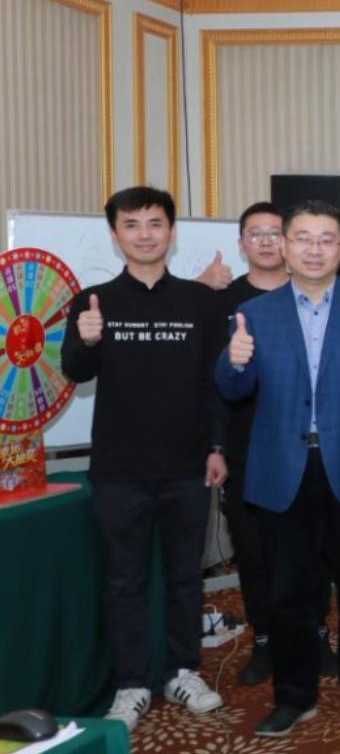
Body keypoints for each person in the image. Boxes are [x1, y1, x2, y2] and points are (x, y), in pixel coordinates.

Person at [217, 199, 340, 738]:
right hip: (283, 468)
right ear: (284, 245)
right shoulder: (256, 312)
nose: (314, 249)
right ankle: (294, 695)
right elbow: (233, 389)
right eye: (303, 238)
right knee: (288, 591)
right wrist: (233, 359)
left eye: (326, 239)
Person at [62, 186, 227, 732]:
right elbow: (76, 372)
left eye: (155, 223)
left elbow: (214, 383)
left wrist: (217, 448)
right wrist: (86, 340)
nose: (145, 234)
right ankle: (131, 683)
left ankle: (183, 670)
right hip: (119, 470)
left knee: (185, 578)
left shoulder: (201, 302)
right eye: (131, 225)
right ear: (115, 235)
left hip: (188, 467)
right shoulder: (93, 301)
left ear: (171, 232)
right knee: (124, 582)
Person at [213, 202, 337, 686]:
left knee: (318, 549)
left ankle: (317, 633)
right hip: (249, 449)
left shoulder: (316, 295)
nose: (265, 242)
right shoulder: (228, 303)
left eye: (273, 232)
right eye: (255, 233)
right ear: (242, 243)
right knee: (255, 551)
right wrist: (216, 447)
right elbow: (215, 382)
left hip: (312, 449)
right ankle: (265, 638)